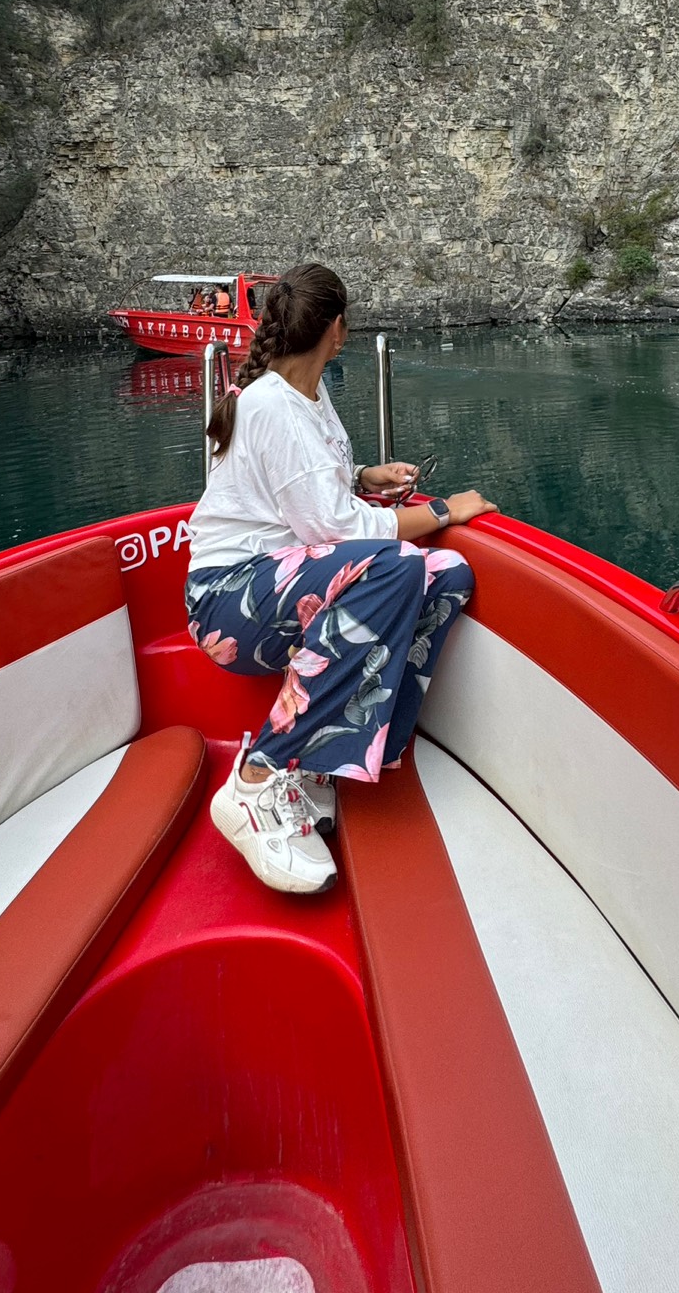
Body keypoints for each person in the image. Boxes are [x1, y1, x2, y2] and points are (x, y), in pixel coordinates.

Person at [184, 263, 496, 895]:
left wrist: (363, 478)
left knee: (449, 575)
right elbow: (342, 533)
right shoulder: (273, 405)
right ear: (337, 329)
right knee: (400, 564)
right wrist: (442, 510)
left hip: (281, 580)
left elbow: (307, 492)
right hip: (227, 602)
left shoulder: (308, 392)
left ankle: (318, 759)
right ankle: (259, 781)